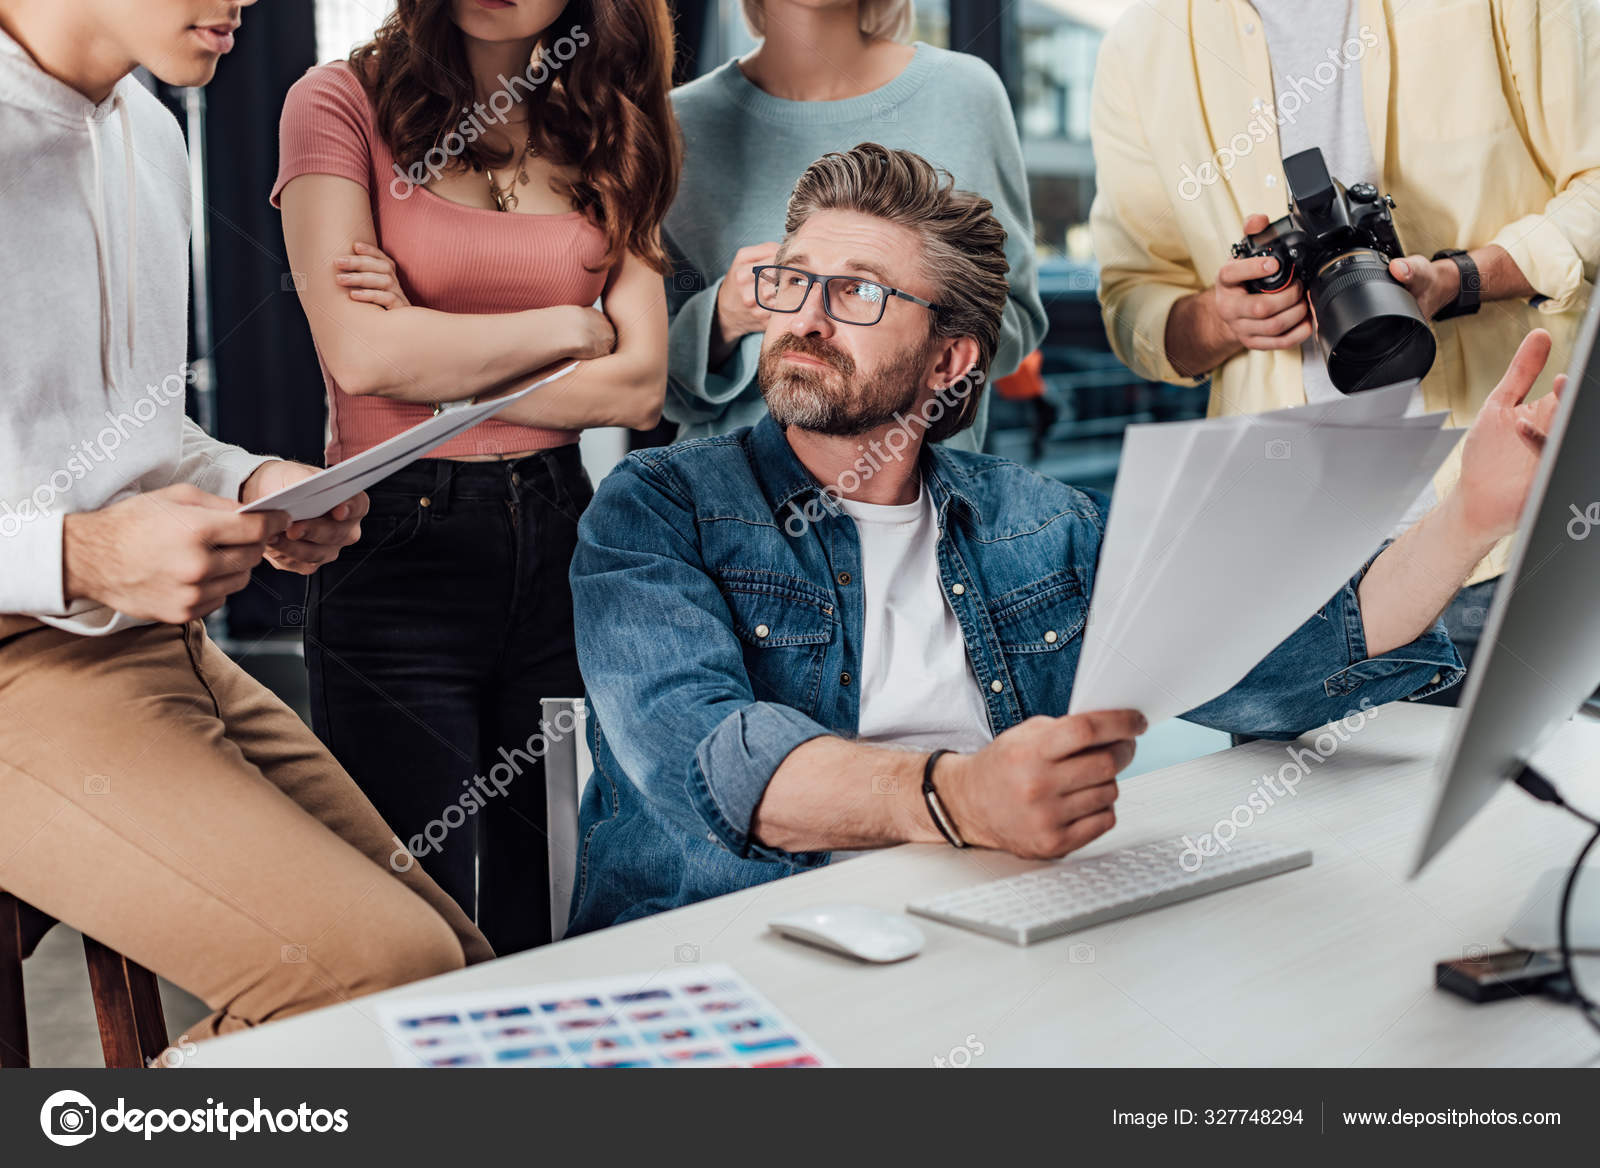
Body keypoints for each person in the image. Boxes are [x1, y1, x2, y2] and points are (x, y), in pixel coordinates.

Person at [563, 144, 1564, 933]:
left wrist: (1469, 513)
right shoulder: (655, 508)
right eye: (793, 280)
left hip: (980, 940)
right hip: (725, 956)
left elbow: (1273, 665)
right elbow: (705, 754)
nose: (807, 318)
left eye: (858, 292)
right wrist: (957, 796)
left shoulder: (1041, 524)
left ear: (950, 359)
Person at [0, 0, 492, 1052]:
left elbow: (134, 430)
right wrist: (79, 553)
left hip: (147, 648)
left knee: (458, 990)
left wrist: (251, 482)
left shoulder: (150, 130)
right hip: (18, 671)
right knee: (374, 982)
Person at [274, 0, 679, 954]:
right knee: (414, 917)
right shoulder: (335, 104)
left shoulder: (614, 120)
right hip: (393, 540)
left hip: (561, 530)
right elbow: (362, 356)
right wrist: (565, 330)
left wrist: (435, 345)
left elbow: (638, 386)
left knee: (556, 896)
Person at [1089, 0, 1600, 698]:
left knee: (1530, 804)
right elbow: (1132, 300)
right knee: (1287, 811)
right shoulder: (1143, 47)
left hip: (1504, 535)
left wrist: (1460, 278)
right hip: (1281, 565)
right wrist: (1222, 317)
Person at [661, 0, 1046, 451]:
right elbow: (655, 389)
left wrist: (882, 336)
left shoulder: (964, 92)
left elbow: (1012, 320)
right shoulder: (675, 125)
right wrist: (722, 320)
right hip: (720, 501)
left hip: (914, 496)